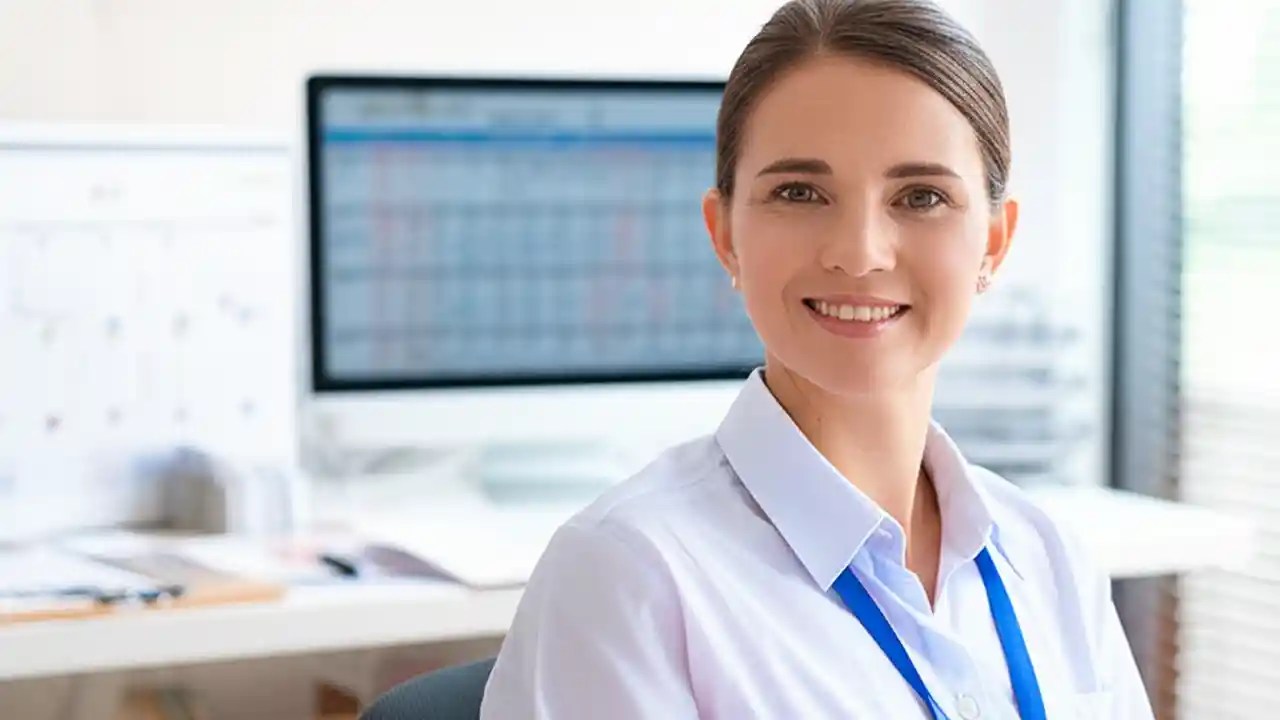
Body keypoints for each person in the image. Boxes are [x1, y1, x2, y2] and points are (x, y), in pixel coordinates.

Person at [480, 0, 1154, 717]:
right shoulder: (632, 577)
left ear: (993, 242)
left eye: (921, 196)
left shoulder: (1050, 562)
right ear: (725, 235)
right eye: (800, 193)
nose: (859, 252)